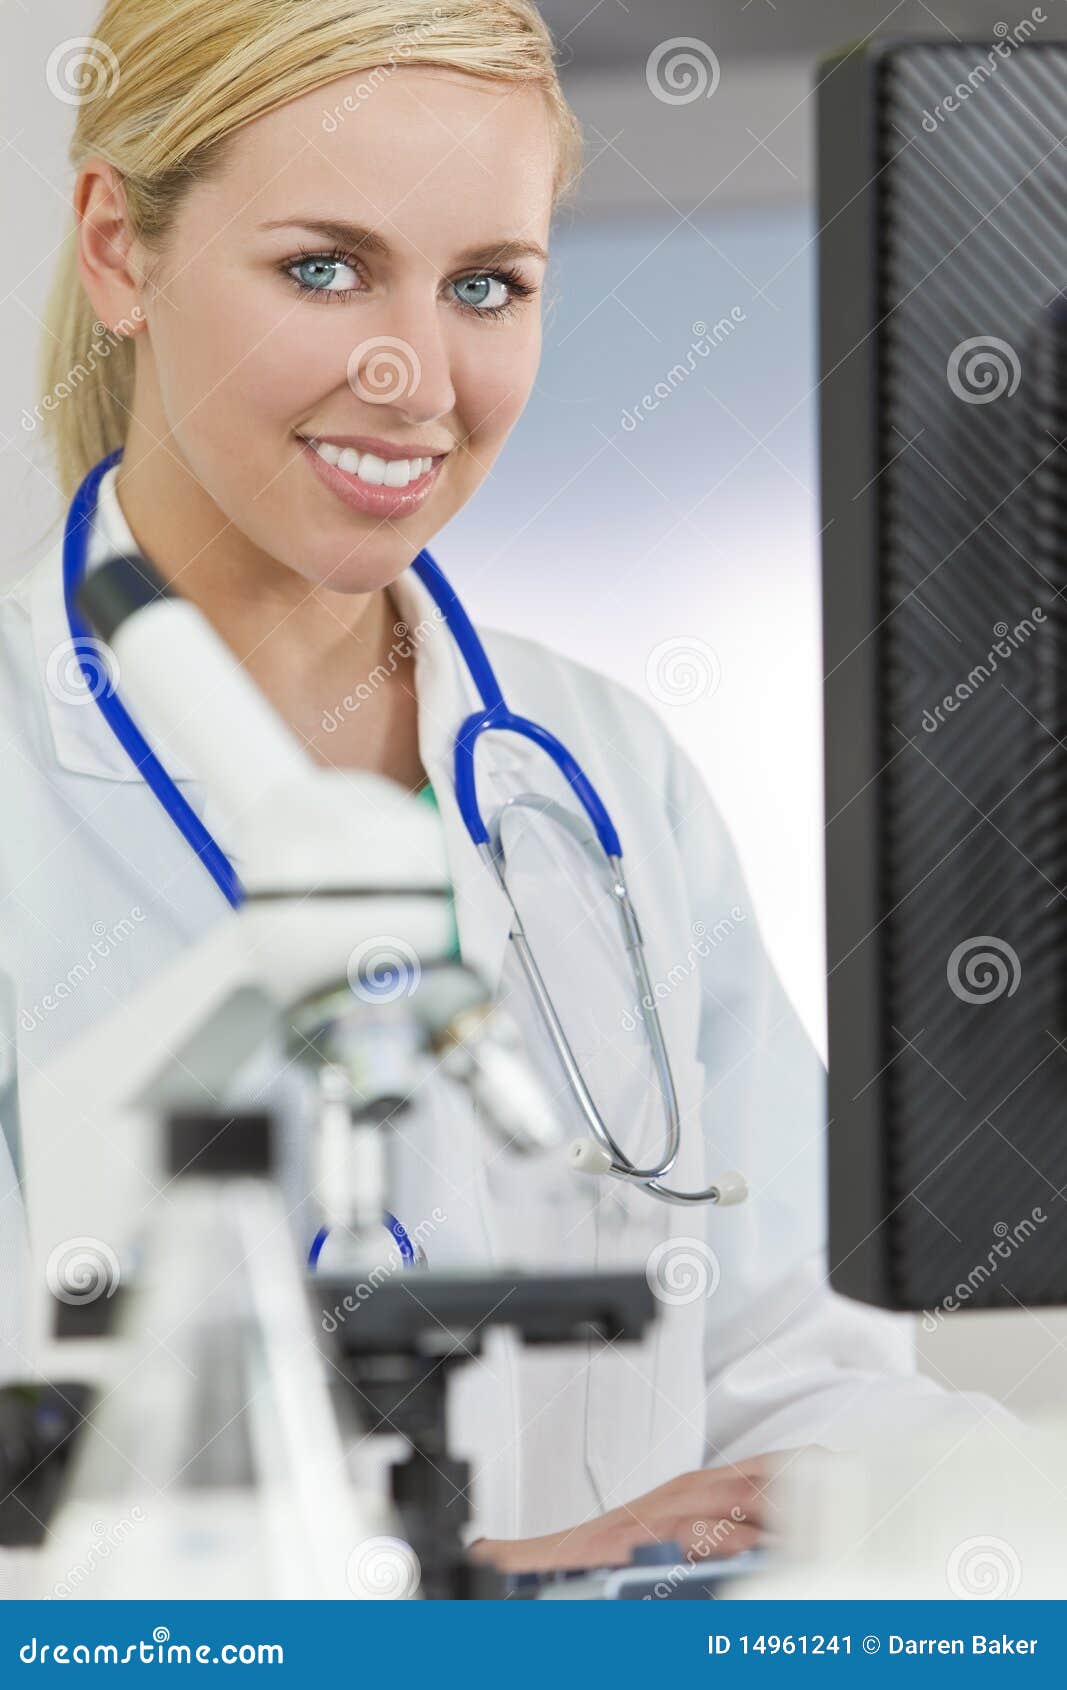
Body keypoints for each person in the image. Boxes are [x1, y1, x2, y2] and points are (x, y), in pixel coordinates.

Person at [0, 0, 1005, 1578]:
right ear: (122, 251)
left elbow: (791, 1355)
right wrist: (477, 1582)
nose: (415, 374)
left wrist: (938, 1510)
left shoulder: (604, 772)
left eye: (488, 286)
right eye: (322, 267)